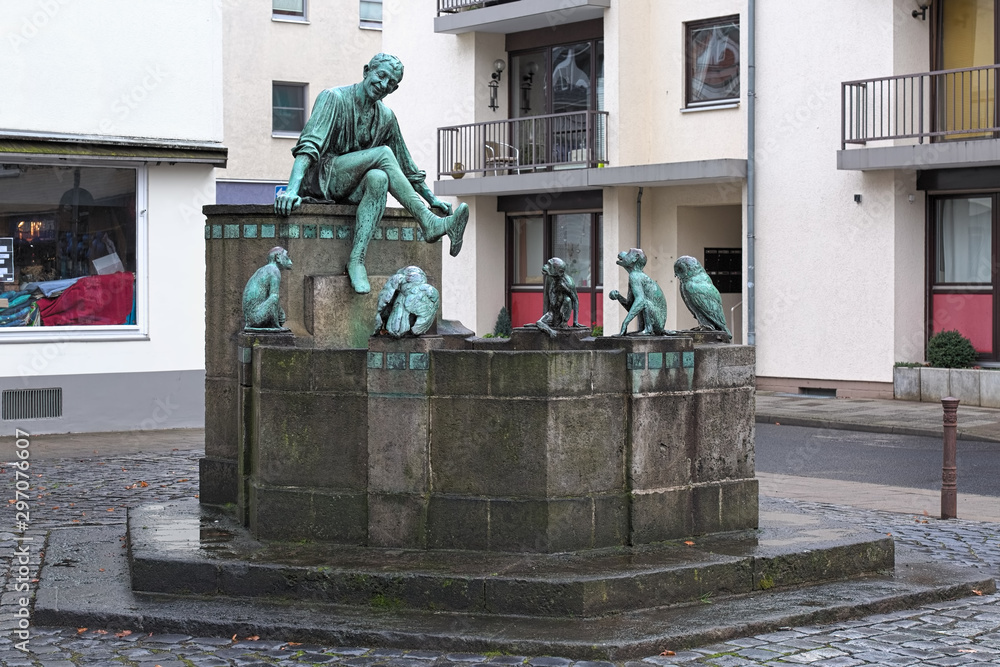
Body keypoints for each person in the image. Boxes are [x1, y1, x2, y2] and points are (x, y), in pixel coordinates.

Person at [274, 53, 469, 294]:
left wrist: (433, 199)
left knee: (379, 178)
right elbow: (309, 146)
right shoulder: (333, 98)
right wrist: (291, 189)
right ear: (367, 71)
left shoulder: (386, 117)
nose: (384, 84)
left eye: (391, 83)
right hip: (323, 177)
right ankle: (429, 223)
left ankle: (356, 260)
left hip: (352, 187)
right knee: (384, 154)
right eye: (381, 75)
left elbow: (407, 166)